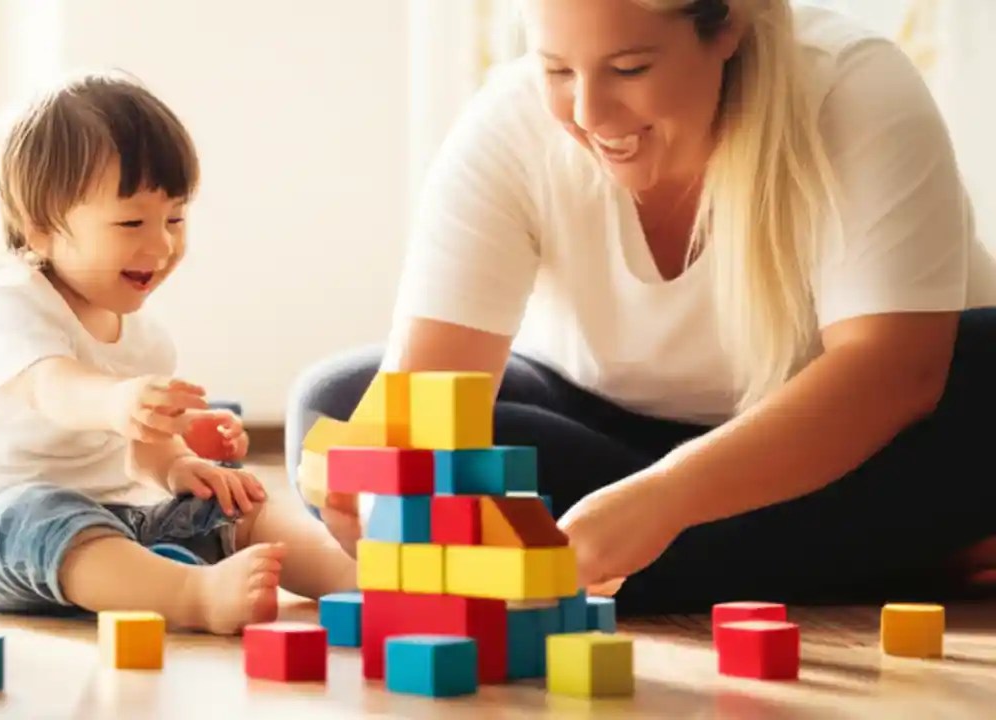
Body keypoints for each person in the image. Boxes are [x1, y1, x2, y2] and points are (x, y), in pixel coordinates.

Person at [287, 0, 996, 615]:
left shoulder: (853, 87)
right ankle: (887, 554)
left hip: (861, 436)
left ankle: (623, 565)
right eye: (559, 71)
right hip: (610, 435)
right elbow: (424, 394)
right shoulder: (507, 125)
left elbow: (892, 372)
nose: (590, 114)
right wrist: (383, 497)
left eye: (629, 69)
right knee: (338, 401)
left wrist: (665, 501)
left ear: (727, 29)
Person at [0, 70, 355, 634]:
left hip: (115, 525)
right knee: (35, 514)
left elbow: (144, 458)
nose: (163, 244)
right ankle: (192, 594)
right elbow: (55, 388)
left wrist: (181, 463)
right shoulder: (12, 307)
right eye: (131, 222)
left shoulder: (145, 335)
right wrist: (119, 401)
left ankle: (352, 575)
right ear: (41, 231)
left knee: (236, 497)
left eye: (175, 217)